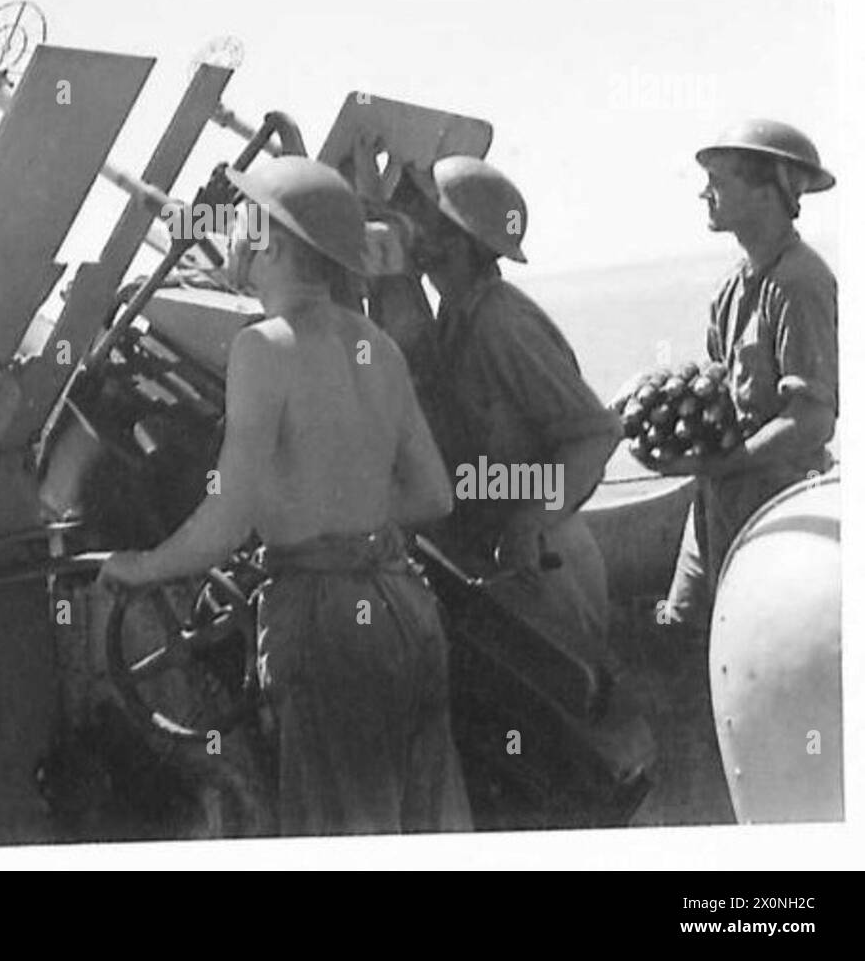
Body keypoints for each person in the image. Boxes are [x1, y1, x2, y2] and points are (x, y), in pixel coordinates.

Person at [99, 156, 471, 836]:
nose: (235, 233)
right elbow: (433, 494)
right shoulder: (378, 345)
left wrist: (141, 567)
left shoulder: (262, 349)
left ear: (268, 242)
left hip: (327, 630)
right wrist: (350, 523)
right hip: (407, 611)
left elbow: (227, 519)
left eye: (246, 220)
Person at [360, 146, 620, 647]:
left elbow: (597, 434)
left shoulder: (502, 323)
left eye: (421, 216)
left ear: (456, 241)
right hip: (514, 552)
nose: (406, 225)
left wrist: (529, 523)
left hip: (548, 560)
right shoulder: (458, 315)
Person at [653, 120, 837, 631]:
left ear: (767, 190)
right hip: (721, 500)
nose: (703, 192)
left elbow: (813, 421)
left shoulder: (800, 283)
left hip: (780, 512)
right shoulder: (732, 287)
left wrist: (722, 465)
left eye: (719, 180)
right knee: (680, 627)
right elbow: (719, 393)